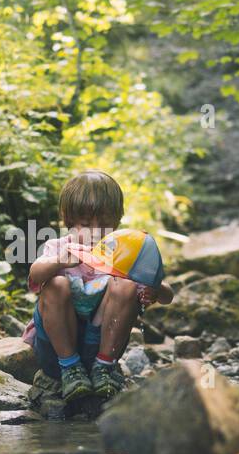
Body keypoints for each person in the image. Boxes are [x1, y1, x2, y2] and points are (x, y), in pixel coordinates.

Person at [23, 170, 174, 402]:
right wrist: (61, 261)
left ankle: (104, 368)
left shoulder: (123, 253)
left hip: (100, 352)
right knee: (55, 284)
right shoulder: (61, 247)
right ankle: (71, 369)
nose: (95, 232)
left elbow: (167, 296)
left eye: (105, 225)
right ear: (70, 222)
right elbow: (35, 272)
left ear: (117, 223)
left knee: (126, 285)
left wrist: (152, 287)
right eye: (85, 224)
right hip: (57, 352)